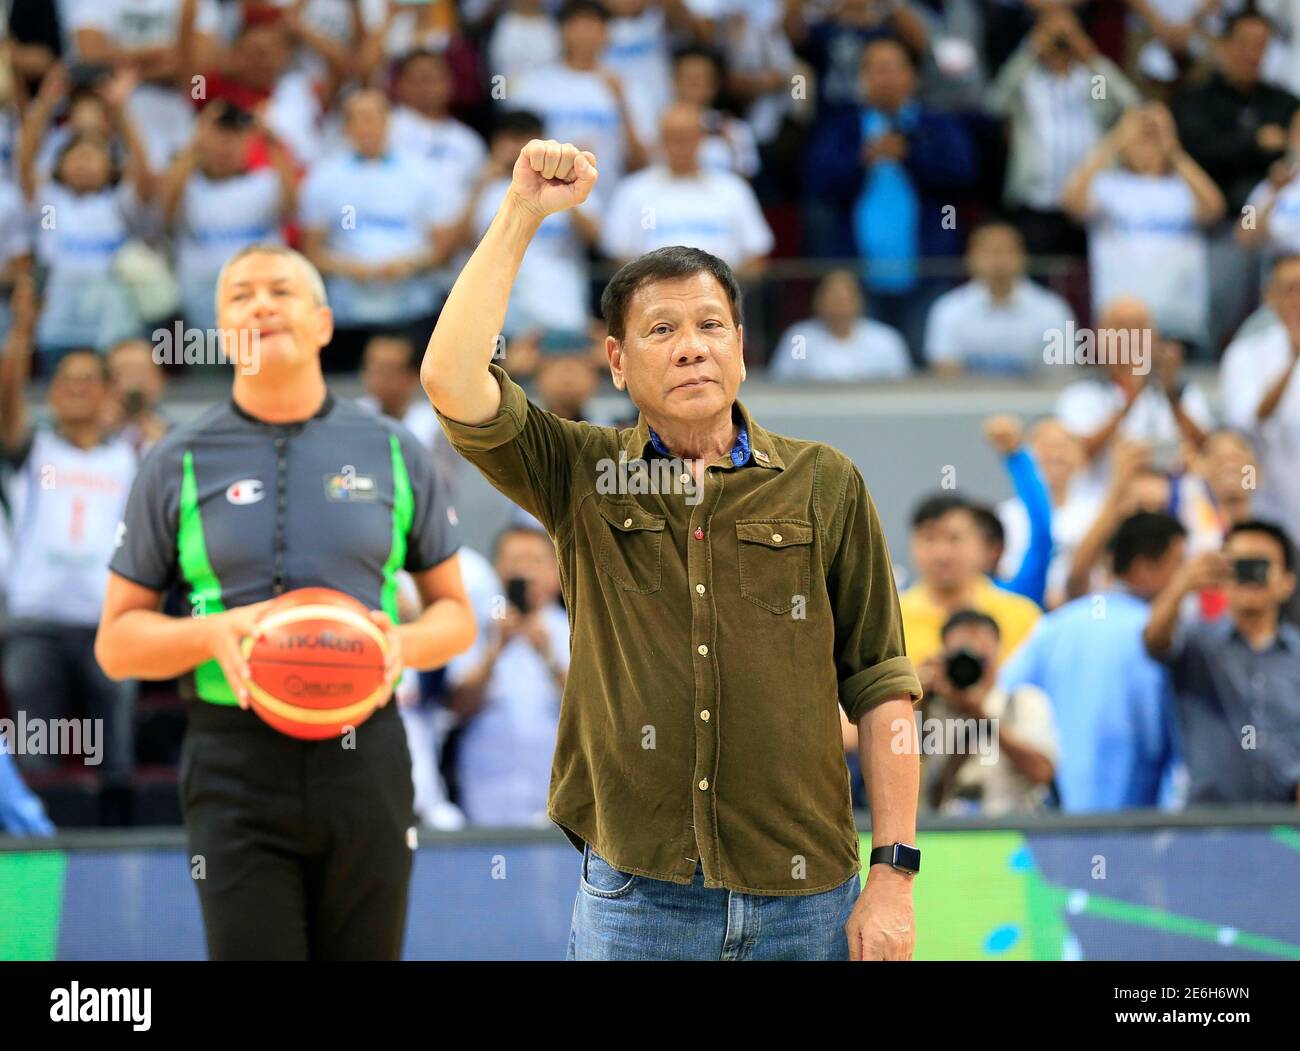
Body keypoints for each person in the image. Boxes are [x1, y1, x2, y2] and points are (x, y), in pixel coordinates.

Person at [422, 138, 923, 961]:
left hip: (810, 898)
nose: (692, 345)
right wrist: (521, 213)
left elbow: (883, 688)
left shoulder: (825, 481)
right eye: (661, 329)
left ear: (742, 346)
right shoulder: (577, 471)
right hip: (638, 898)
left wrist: (895, 874)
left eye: (710, 325)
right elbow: (450, 376)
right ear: (615, 361)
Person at [94, 244, 477, 960]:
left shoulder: (396, 449)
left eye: (281, 290)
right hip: (231, 760)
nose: (262, 304)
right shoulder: (172, 459)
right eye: (240, 295)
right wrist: (216, 632)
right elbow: (117, 642)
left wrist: (399, 643)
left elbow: (457, 616)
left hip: (366, 753)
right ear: (219, 328)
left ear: (325, 322)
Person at [0, 274, 138, 822]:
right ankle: (36, 856)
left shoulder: (128, 458)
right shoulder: (31, 447)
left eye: (88, 381)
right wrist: (24, 329)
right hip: (35, 624)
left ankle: (120, 853)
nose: (76, 389)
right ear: (50, 393)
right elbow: (8, 398)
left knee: (118, 746)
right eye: (65, 381)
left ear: (106, 393)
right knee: (36, 749)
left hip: (108, 625)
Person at [1000, 512, 1188, 812]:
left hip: (1060, 822)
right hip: (1142, 824)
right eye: (1179, 563)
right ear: (1143, 568)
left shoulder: (1056, 625)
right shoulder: (1166, 639)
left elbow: (1002, 694)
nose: (1185, 577)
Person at [299, 89, 459, 372]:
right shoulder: (324, 177)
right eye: (360, 119)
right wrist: (350, 268)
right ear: (347, 127)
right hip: (347, 312)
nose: (368, 126)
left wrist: (409, 264)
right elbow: (310, 251)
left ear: (389, 122)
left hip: (412, 307)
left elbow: (444, 248)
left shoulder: (423, 173)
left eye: (375, 117)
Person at [1144, 520, 1300, 804]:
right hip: (1211, 828)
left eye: (1261, 566)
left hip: (1288, 826)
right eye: (1240, 566)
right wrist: (1183, 584)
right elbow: (1154, 641)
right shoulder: (1197, 644)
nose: (1251, 578)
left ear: (1287, 582)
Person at [1062, 102, 1225, 351]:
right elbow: (1071, 202)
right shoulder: (1107, 185)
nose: (1147, 140)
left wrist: (1173, 150)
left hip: (1178, 322)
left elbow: (1215, 208)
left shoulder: (1184, 187)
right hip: (1121, 321)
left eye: (1154, 134)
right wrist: (1115, 140)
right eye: (1139, 134)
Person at [986, 6, 1139, 257]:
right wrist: (1029, 50)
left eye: (1068, 32)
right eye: (1051, 31)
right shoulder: (1027, 79)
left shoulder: (1092, 81)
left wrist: (1092, 58)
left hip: (1091, 198)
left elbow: (1129, 104)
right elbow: (994, 103)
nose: (1060, 39)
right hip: (1037, 200)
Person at [446, 525, 569, 826]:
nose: (525, 572)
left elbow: (595, 716)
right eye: (515, 561)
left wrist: (549, 657)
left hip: (558, 797)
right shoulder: (476, 628)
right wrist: (494, 651)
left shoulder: (577, 629)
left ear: (557, 573)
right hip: (484, 797)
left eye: (536, 562)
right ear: (496, 569)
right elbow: (455, 706)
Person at [160, 101, 297, 333]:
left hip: (261, 312)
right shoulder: (188, 186)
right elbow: (164, 209)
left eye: (235, 139)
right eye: (220, 138)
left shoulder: (264, 182)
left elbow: (292, 206)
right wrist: (198, 137)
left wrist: (270, 139)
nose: (226, 148)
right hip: (204, 311)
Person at [600, 102, 774, 276]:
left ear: (702, 138)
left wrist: (724, 289)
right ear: (660, 140)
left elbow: (757, 252)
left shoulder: (733, 190)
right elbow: (617, 252)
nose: (679, 145)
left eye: (686, 136)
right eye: (672, 137)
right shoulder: (633, 191)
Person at [918, 609, 1058, 816]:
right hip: (944, 836)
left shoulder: (1024, 701)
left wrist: (980, 715)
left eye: (980, 659)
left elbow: (1042, 772)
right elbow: (896, 762)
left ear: (998, 653)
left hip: (1011, 832)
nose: (971, 668)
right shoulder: (933, 707)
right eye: (961, 659)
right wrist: (918, 698)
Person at [511, 0, 649, 191]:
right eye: (578, 26)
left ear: (607, 34)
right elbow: (514, 154)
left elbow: (641, 162)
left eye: (593, 26)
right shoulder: (533, 87)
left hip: (608, 195)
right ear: (562, 31)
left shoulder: (626, 87)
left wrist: (621, 102)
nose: (585, 34)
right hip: (549, 194)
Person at [899, 494, 1043, 666]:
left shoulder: (1022, 617)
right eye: (929, 538)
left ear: (982, 545)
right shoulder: (893, 621)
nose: (942, 553)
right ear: (912, 545)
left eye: (954, 538)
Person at [924, 221, 1074, 377]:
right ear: (970, 258)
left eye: (1007, 251)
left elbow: (1061, 374)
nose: (998, 260)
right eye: (990, 252)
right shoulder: (948, 309)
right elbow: (945, 373)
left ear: (1024, 257)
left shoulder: (1052, 309)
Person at [1220, 254, 1300, 543]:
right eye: (1289, 289)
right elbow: (1248, 422)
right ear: (1270, 295)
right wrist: (1292, 358)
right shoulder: (1246, 354)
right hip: (1271, 516)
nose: (1297, 299)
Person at [768, 268, 911, 382]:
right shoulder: (800, 338)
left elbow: (901, 389)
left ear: (859, 302)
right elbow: (783, 383)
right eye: (833, 299)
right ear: (818, 302)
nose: (839, 307)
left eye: (845, 300)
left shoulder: (885, 339)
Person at [103, 338, 170, 456]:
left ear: (160, 380)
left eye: (141, 373)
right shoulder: (85, 435)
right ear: (106, 383)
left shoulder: (178, 438)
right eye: (124, 374)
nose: (134, 383)